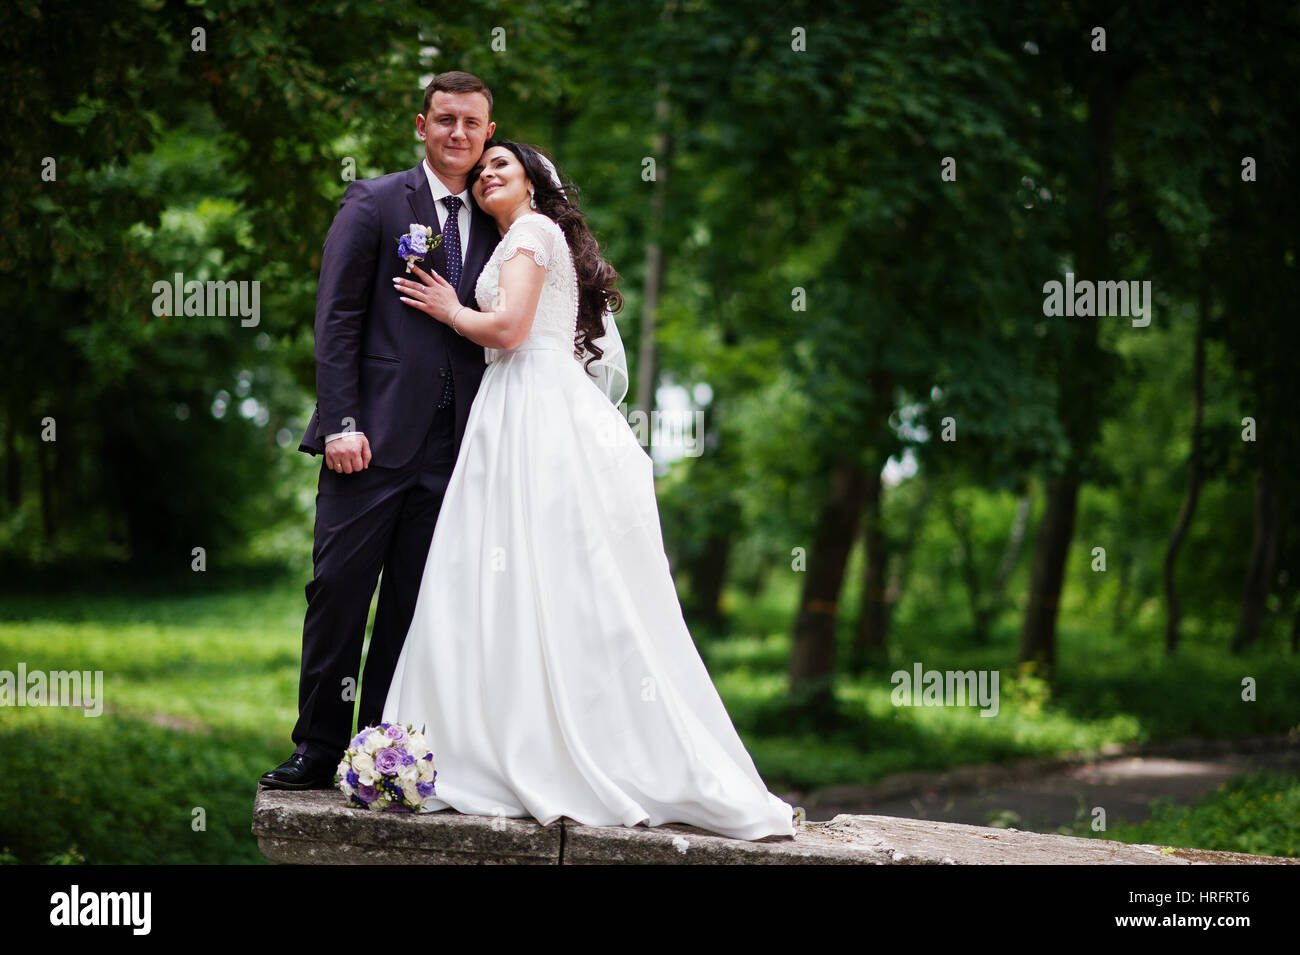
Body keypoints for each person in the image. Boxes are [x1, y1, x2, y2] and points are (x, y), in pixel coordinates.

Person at [383, 139, 797, 840]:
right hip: (521, 404)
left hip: (529, 405)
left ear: (535, 183)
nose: (485, 174)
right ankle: (508, 737)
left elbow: (510, 330)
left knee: (523, 570)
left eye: (500, 167)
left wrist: (450, 308)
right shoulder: (523, 238)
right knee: (532, 575)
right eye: (482, 168)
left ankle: (529, 746)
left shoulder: (533, 232)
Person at [260, 71, 501, 790]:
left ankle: (380, 757)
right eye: (446, 119)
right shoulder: (373, 200)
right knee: (338, 590)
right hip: (366, 442)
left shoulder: (500, 218)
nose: (459, 133)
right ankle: (318, 747)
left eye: (472, 123)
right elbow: (335, 317)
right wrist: (340, 421)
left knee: (411, 605)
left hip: (456, 449)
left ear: (489, 133)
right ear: (420, 125)